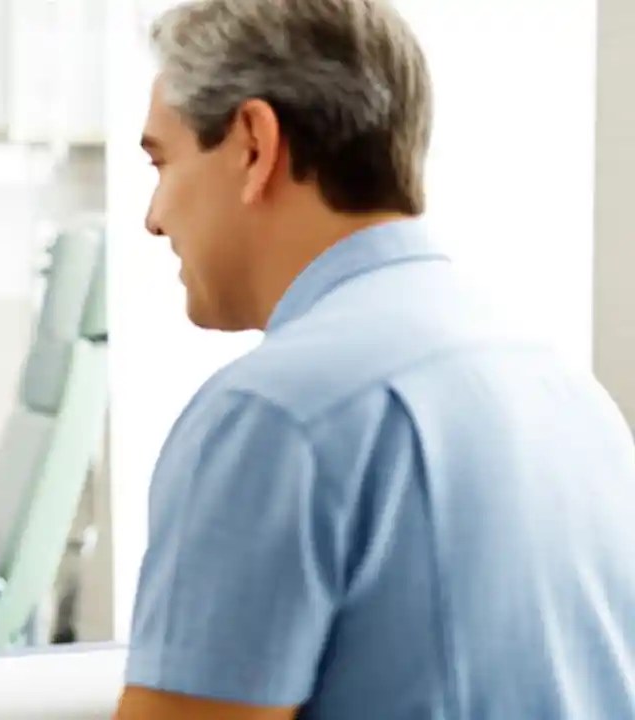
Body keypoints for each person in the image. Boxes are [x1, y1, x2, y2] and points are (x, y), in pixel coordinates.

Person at [115, 1, 635, 718]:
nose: (154, 215)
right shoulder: (566, 389)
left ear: (254, 145)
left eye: (161, 162)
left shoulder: (275, 418)